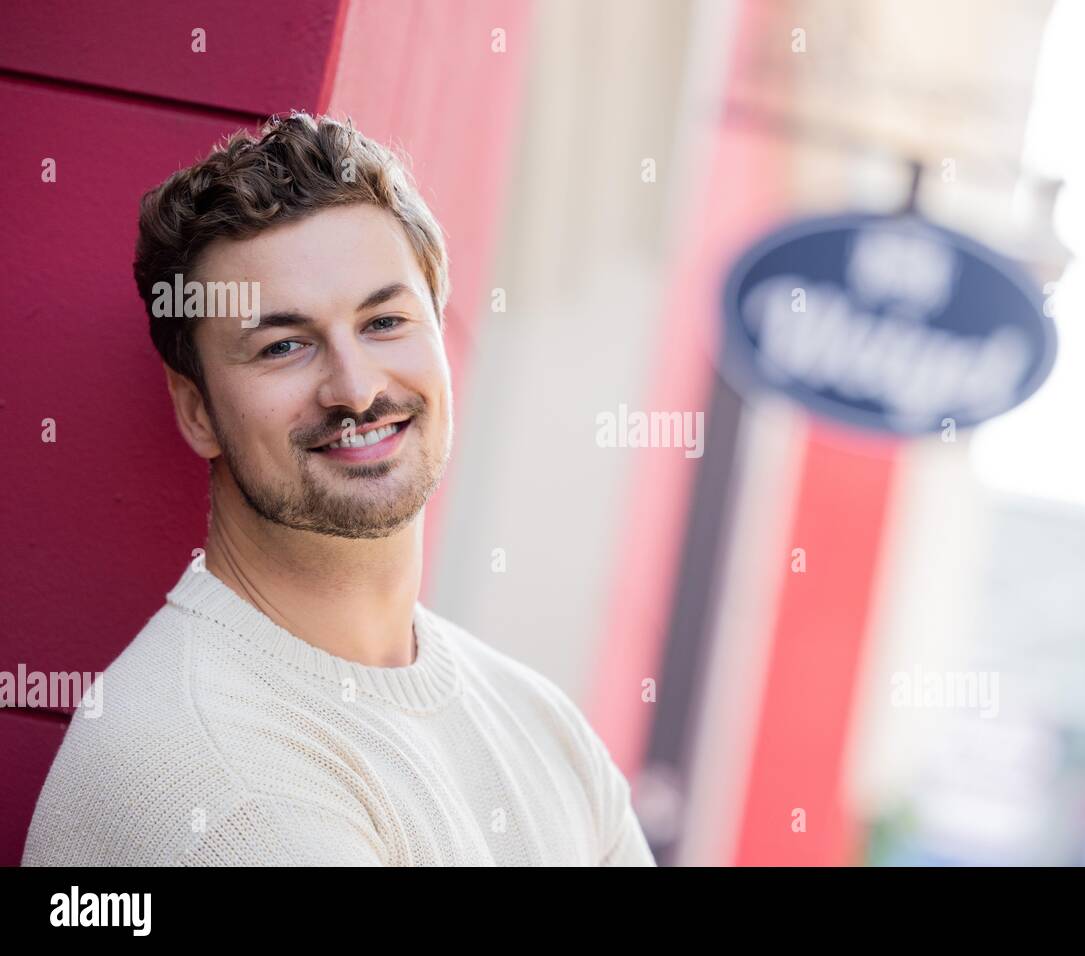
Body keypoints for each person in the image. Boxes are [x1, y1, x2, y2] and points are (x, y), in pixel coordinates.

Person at [21, 112, 656, 867]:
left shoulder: (544, 730)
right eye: (283, 346)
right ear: (198, 410)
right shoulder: (202, 771)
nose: (354, 390)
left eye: (385, 321)